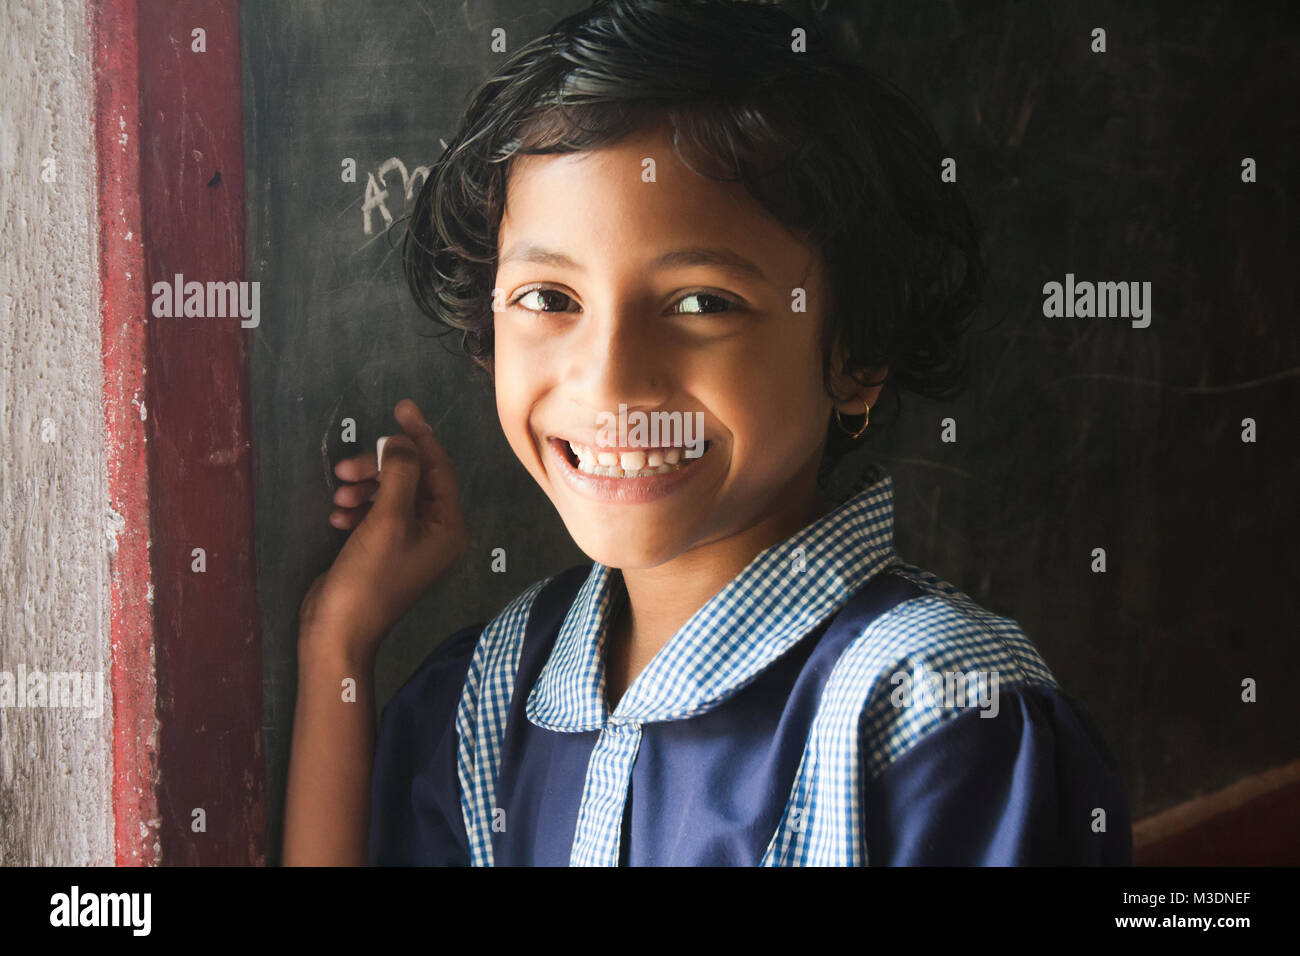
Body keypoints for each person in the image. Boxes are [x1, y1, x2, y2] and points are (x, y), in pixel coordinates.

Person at [283, 0, 1132, 866]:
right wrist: (337, 639)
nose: (611, 379)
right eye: (550, 299)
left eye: (702, 304)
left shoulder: (940, 712)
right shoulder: (486, 700)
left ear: (856, 355)